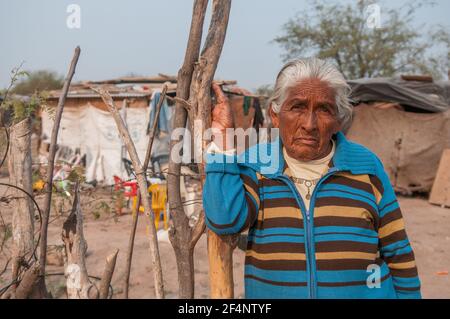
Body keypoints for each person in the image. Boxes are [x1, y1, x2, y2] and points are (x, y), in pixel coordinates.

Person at [203, 58, 421, 299]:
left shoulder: (366, 165)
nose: (309, 124)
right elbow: (225, 220)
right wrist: (222, 142)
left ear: (338, 121)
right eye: (297, 107)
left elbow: (397, 249)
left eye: (324, 110)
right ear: (275, 116)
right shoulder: (257, 165)